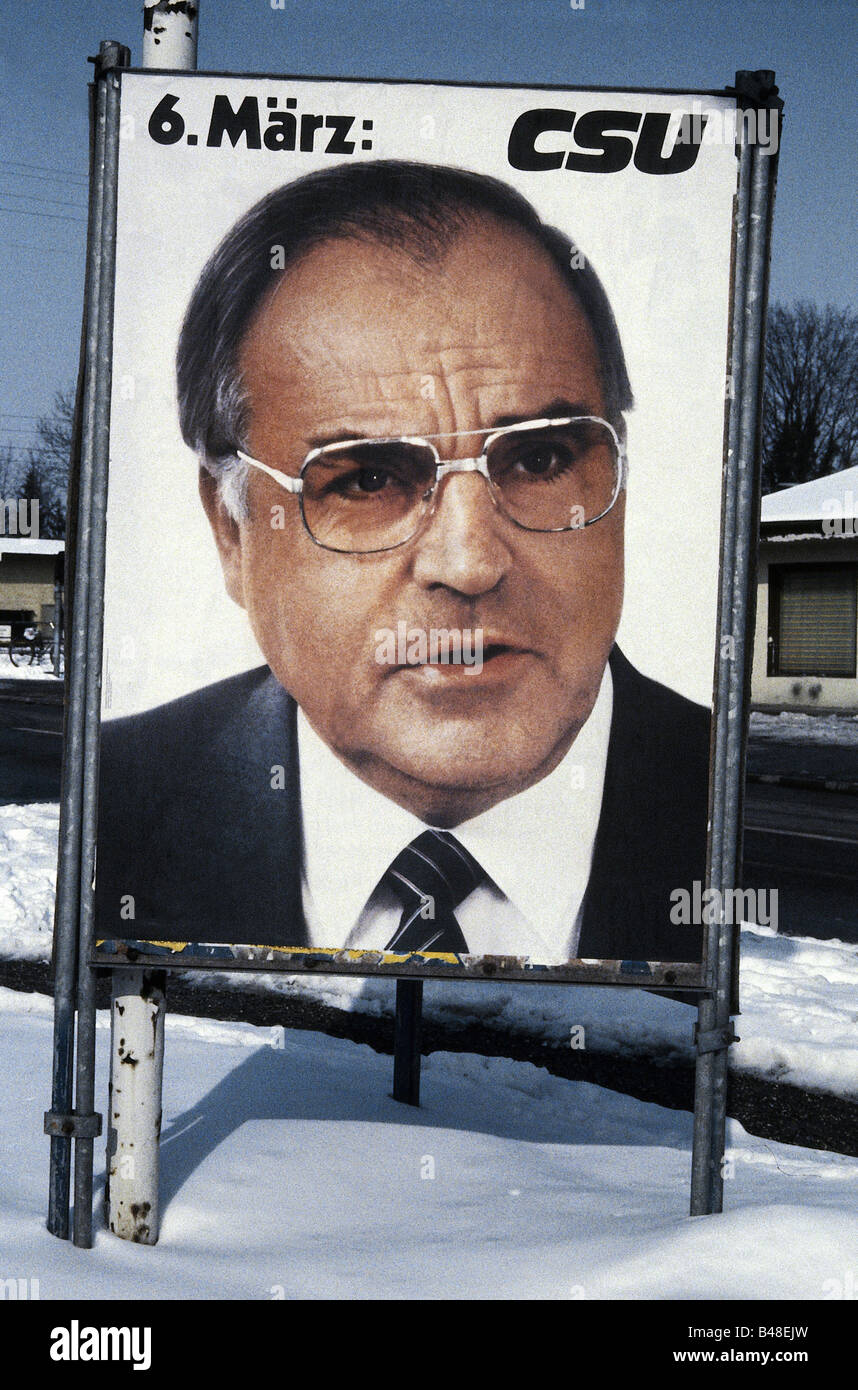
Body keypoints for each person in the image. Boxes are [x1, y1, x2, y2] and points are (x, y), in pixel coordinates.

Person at [96, 160, 709, 966]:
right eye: (369, 478)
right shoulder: (118, 797)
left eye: (540, 459)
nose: (470, 561)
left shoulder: (715, 795)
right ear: (234, 533)